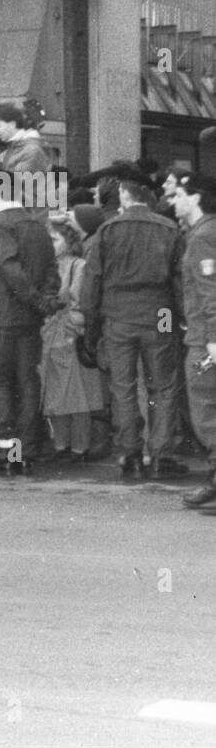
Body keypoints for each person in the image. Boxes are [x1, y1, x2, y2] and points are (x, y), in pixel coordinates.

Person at [80, 180, 187, 480]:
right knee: (163, 384)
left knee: (123, 387)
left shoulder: (108, 230)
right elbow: (179, 283)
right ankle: (161, 454)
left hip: (118, 315)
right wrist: (181, 322)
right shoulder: (168, 228)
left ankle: (131, 454)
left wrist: (92, 329)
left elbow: (92, 284)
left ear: (125, 198)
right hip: (160, 312)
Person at [0, 170, 61, 475]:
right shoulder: (37, 225)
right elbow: (51, 270)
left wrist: (35, 299)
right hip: (28, 321)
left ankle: (5, 453)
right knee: (26, 383)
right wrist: (43, 302)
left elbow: (10, 271)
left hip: (1, 319)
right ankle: (24, 451)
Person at [41, 222, 103, 460]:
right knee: (56, 394)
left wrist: (73, 326)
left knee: (77, 396)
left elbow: (79, 300)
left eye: (55, 239)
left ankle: (79, 446)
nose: (51, 244)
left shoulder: (79, 266)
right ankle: (60, 444)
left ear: (69, 242)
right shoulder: (49, 266)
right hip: (51, 334)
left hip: (69, 334)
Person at [173, 174, 216, 508]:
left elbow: (210, 293)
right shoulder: (203, 232)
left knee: (206, 413)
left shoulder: (203, 236)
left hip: (206, 340)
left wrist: (213, 341)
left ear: (196, 197)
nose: (173, 201)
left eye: (178, 194)